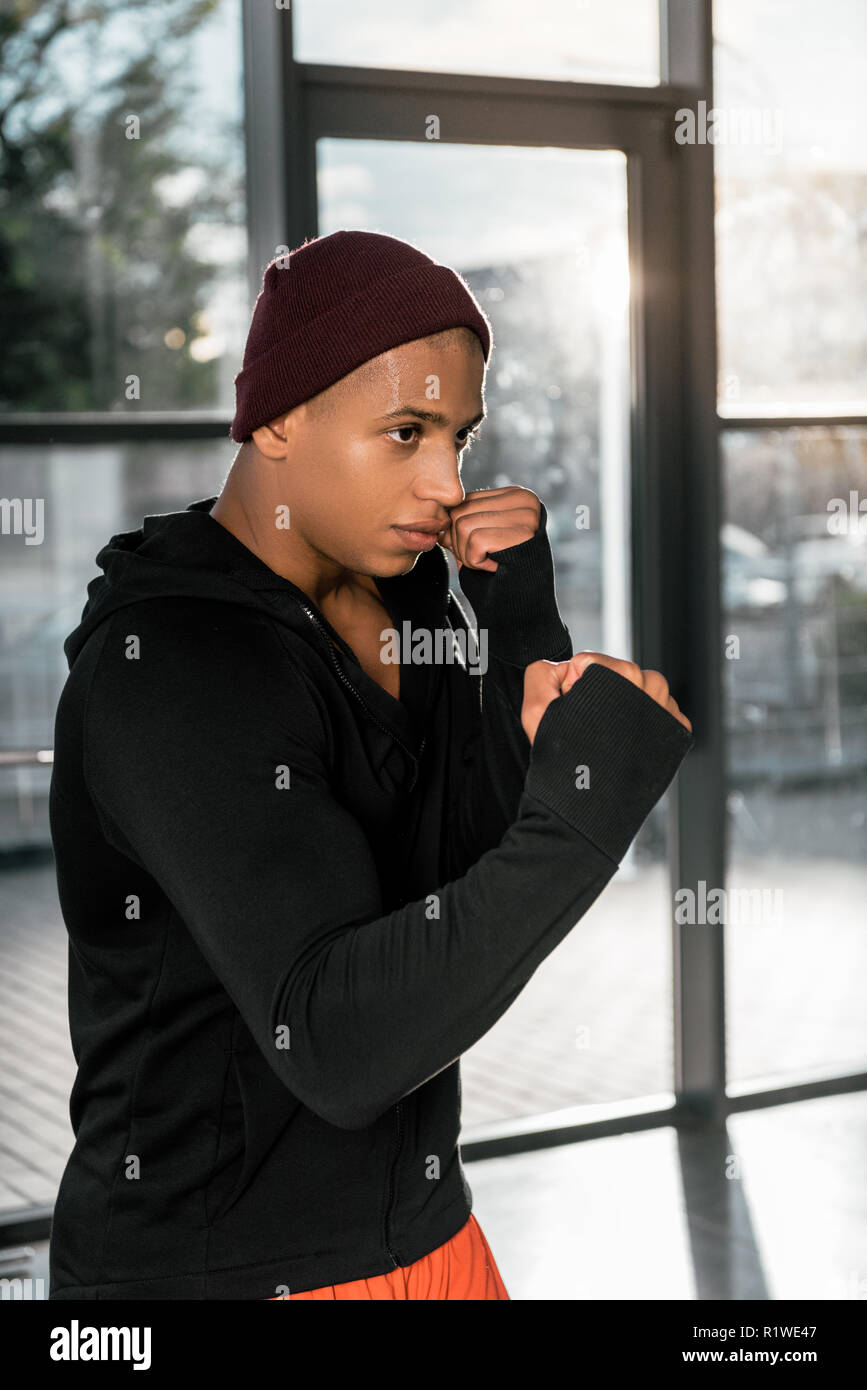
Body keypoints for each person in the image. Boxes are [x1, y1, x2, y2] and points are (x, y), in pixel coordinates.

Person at [47, 230, 693, 1301]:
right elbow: (338, 1042)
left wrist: (518, 624)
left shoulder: (405, 608)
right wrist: (589, 815)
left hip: (428, 1241)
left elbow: (460, 882)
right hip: (217, 1278)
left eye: (458, 436)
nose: (447, 483)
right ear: (279, 418)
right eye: (406, 431)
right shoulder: (169, 663)